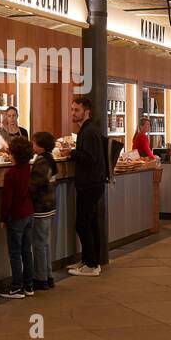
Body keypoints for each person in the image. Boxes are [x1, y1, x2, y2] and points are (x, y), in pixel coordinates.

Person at [67, 95, 106, 277]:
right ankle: (91, 260)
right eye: (72, 109)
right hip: (93, 183)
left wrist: (73, 153)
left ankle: (91, 264)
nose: (73, 113)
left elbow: (90, 158)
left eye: (77, 110)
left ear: (86, 111)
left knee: (83, 224)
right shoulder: (88, 129)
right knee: (90, 223)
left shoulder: (89, 132)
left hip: (89, 184)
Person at [0, 135, 36, 299]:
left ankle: (16, 287)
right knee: (27, 250)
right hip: (29, 213)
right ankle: (29, 285)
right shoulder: (28, 168)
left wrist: (3, 218)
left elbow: (7, 200)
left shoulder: (10, 174)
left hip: (16, 215)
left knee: (15, 252)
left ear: (13, 154)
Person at [29, 131, 58, 290]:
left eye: (33, 143)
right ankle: (48, 275)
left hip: (40, 207)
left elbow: (35, 185)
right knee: (45, 242)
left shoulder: (41, 162)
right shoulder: (50, 159)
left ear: (40, 146)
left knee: (39, 243)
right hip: (49, 206)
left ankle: (40, 278)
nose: (32, 146)